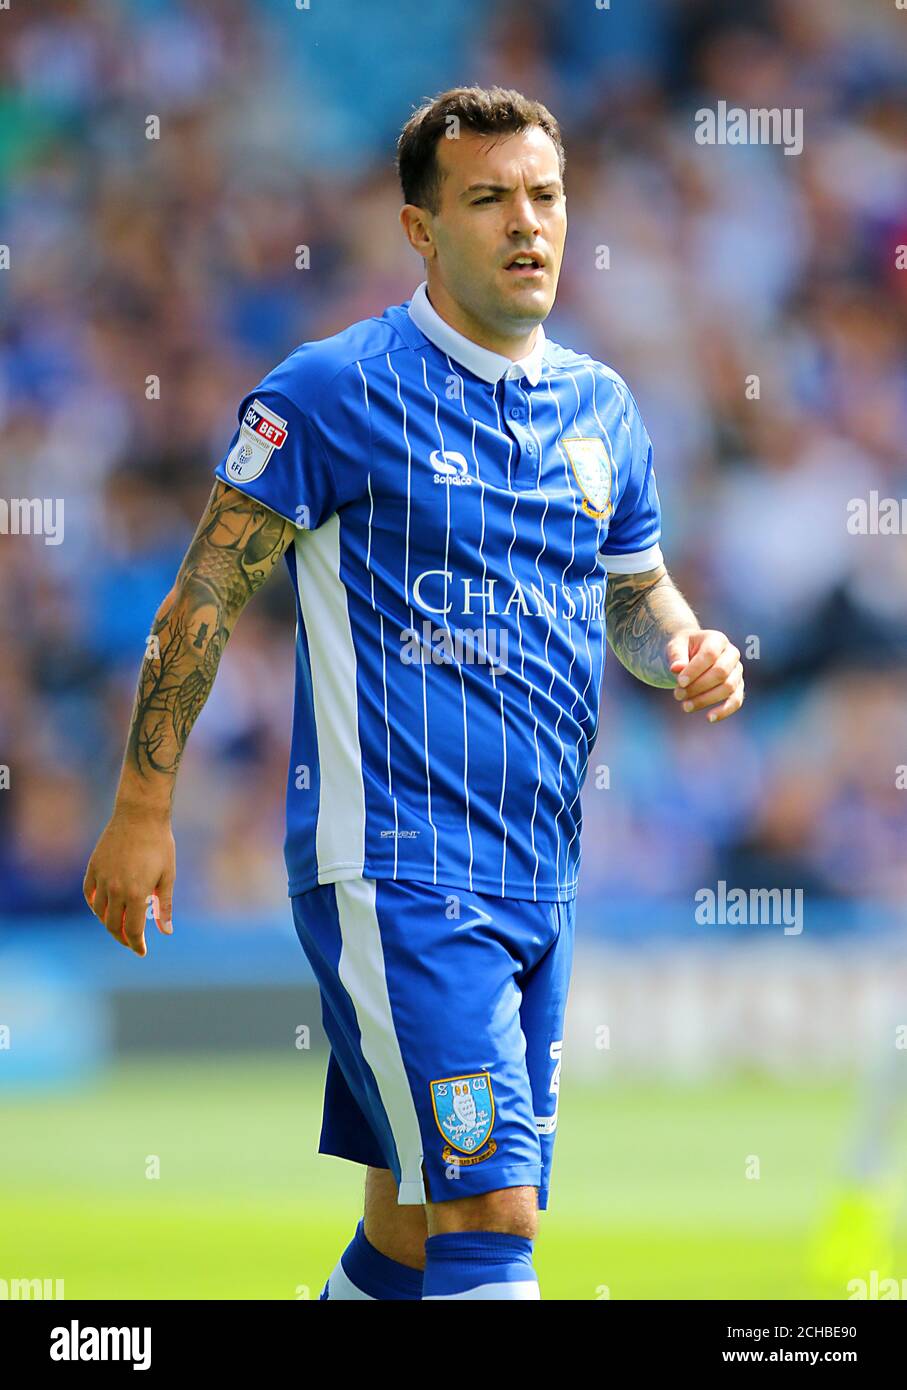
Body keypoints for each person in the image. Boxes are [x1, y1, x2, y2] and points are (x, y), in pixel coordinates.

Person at [84, 85, 745, 1300]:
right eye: (487, 198)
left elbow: (631, 601)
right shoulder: (332, 392)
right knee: (493, 1211)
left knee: (405, 1226)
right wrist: (140, 810)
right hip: (398, 871)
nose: (525, 223)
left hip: (538, 876)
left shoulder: (602, 409)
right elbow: (201, 599)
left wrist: (691, 647)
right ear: (420, 230)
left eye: (543, 196)